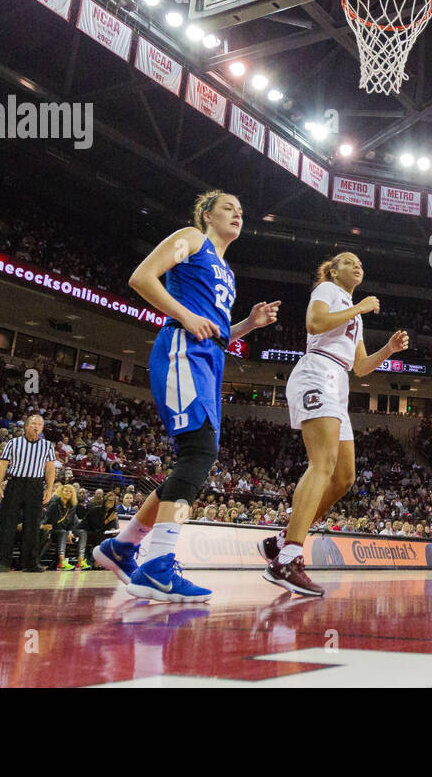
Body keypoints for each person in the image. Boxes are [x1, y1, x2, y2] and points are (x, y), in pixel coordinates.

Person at [93, 190, 279, 601]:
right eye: (229, 207)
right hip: (181, 349)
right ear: (207, 214)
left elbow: (218, 332)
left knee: (197, 456)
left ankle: (122, 547)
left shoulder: (226, 272)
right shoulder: (192, 239)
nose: (238, 214)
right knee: (198, 453)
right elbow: (141, 277)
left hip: (209, 360)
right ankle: (157, 566)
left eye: (241, 211)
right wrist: (185, 314)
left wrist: (247, 324)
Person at [263, 252, 407, 596]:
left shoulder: (351, 307)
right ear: (332, 269)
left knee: (344, 477)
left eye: (360, 263)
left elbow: (360, 367)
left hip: (339, 381)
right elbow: (314, 324)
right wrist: (359, 308)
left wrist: (387, 349)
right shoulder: (326, 290)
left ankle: (281, 540)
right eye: (348, 261)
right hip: (317, 373)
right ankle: (289, 557)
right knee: (322, 464)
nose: (357, 265)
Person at [0, 414, 56, 573]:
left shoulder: (47, 446)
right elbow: (2, 466)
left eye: (40, 424)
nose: (37, 426)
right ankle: (2, 562)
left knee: (33, 525)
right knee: (8, 524)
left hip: (35, 485)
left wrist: (49, 489)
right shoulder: (13, 443)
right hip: (16, 483)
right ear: (26, 426)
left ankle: (30, 563)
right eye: (34, 423)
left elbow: (50, 469)